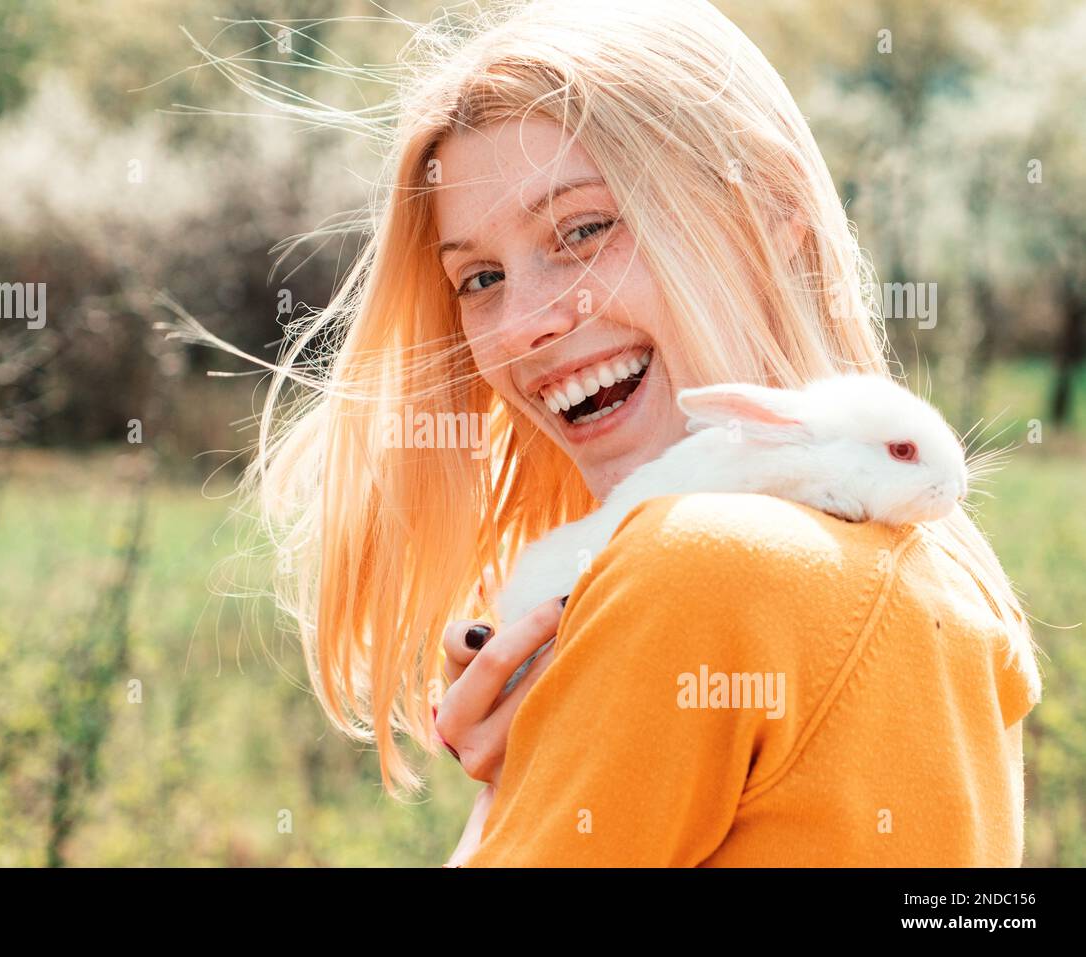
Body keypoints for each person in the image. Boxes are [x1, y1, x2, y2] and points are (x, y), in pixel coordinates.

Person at [220, 0, 1043, 865]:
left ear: (770, 209)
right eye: (480, 277)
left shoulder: (699, 559)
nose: (521, 324)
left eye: (583, 229)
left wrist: (508, 804)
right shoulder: (947, 566)